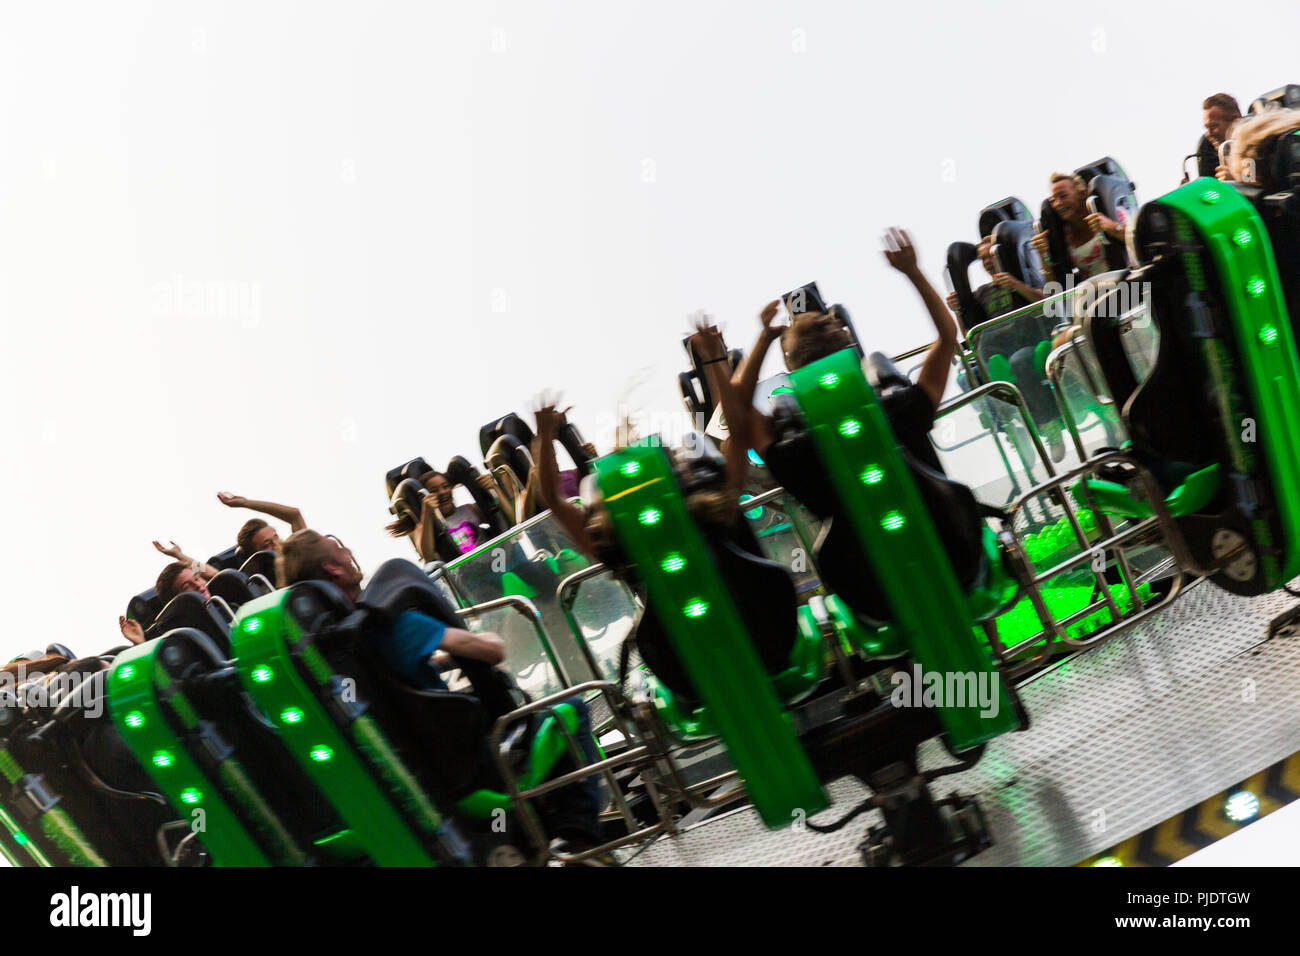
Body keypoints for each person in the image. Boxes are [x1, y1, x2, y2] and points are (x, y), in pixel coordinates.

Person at [277, 529, 606, 855]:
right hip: (475, 768)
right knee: (571, 708)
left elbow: (394, 680)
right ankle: (580, 837)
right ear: (333, 569)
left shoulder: (327, 662)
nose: (347, 550)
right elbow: (491, 652)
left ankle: (532, 837)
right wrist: (487, 637)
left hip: (417, 786)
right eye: (339, 547)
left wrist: (440, 658)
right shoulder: (394, 624)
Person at [1033, 173, 1125, 291]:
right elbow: (1053, 287)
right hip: (1095, 298)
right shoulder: (1063, 236)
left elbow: (1137, 238)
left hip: (1128, 287)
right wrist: (1043, 255)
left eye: (1063, 196)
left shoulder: (1110, 213)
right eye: (1053, 200)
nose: (1057, 204)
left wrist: (1111, 227)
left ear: (1081, 194)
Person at [217, 492, 308, 554]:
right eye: (267, 544)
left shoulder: (296, 556)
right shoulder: (265, 580)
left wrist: (245, 503)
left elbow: (295, 515)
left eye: (276, 537)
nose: (277, 544)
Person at [1185, 93, 1242, 182]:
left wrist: (1238, 180)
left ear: (1235, 120)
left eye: (1213, 126)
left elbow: (1268, 183)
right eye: (1207, 128)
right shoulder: (1208, 150)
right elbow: (1210, 194)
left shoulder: (1256, 147)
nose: (1209, 134)